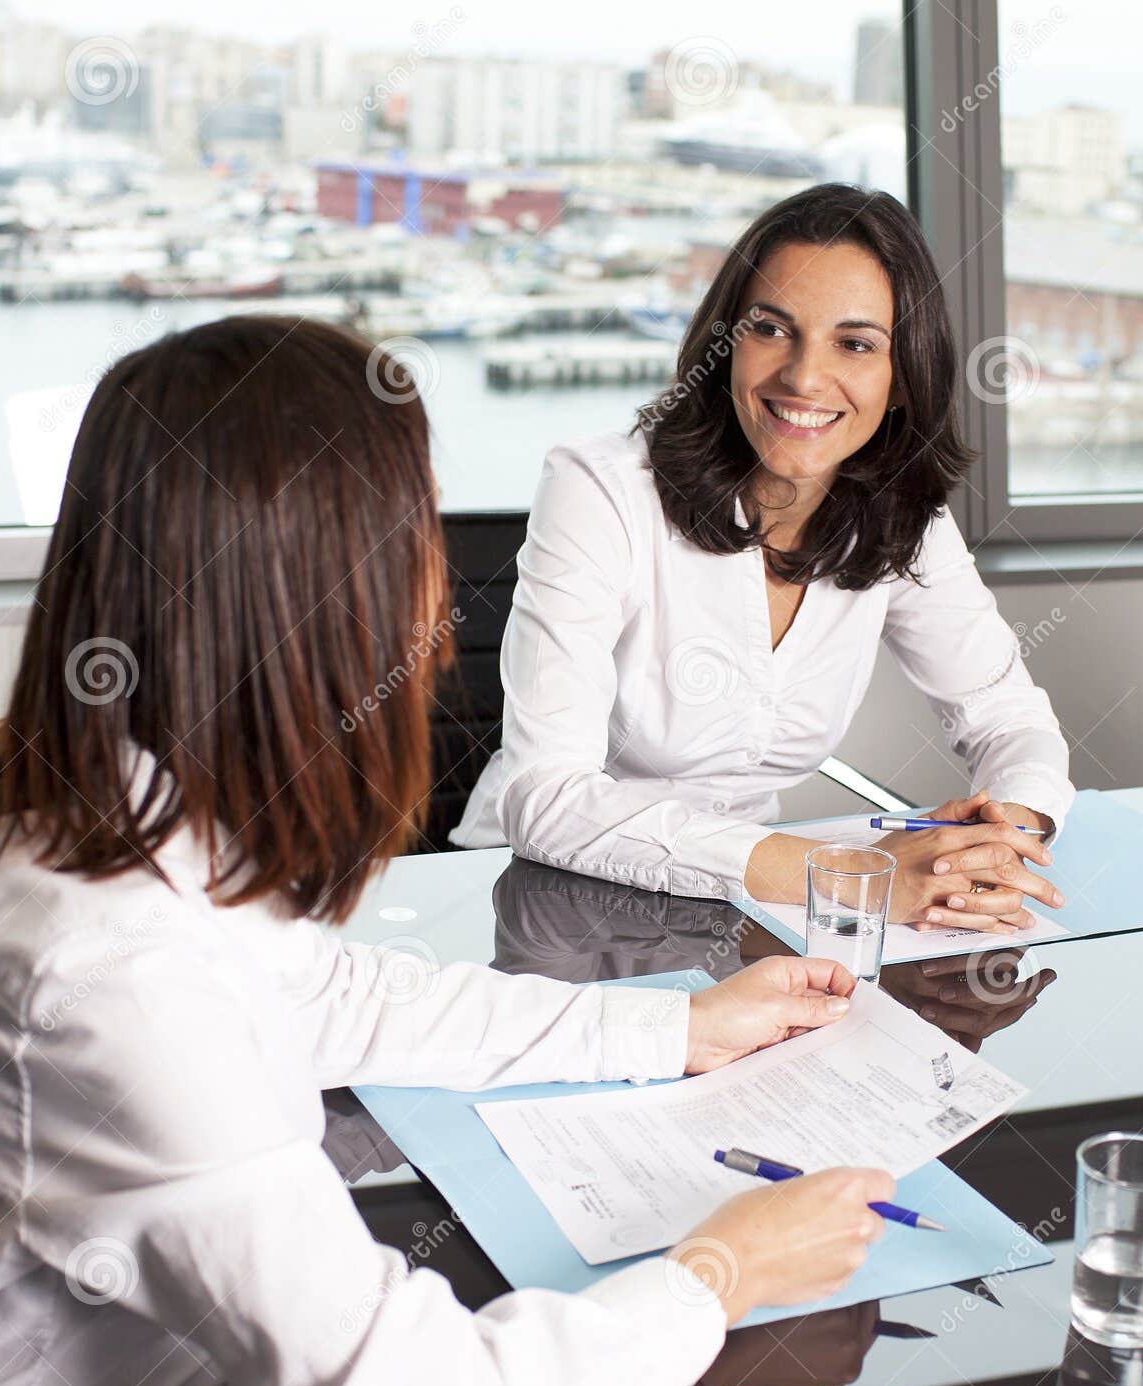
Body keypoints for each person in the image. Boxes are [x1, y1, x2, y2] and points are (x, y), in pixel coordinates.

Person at [0, 315, 893, 1386]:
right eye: (411, 534)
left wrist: (672, 1028)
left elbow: (330, 997)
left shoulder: (110, 797)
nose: (430, 587)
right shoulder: (111, 976)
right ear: (314, 587)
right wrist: (723, 1270)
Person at [453, 183, 1073, 936]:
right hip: (542, 902)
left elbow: (1008, 716)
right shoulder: (600, 489)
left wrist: (1001, 838)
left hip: (746, 913)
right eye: (772, 329)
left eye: (855, 344)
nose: (804, 378)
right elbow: (545, 799)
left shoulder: (903, 514)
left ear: (903, 377)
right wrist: (842, 876)